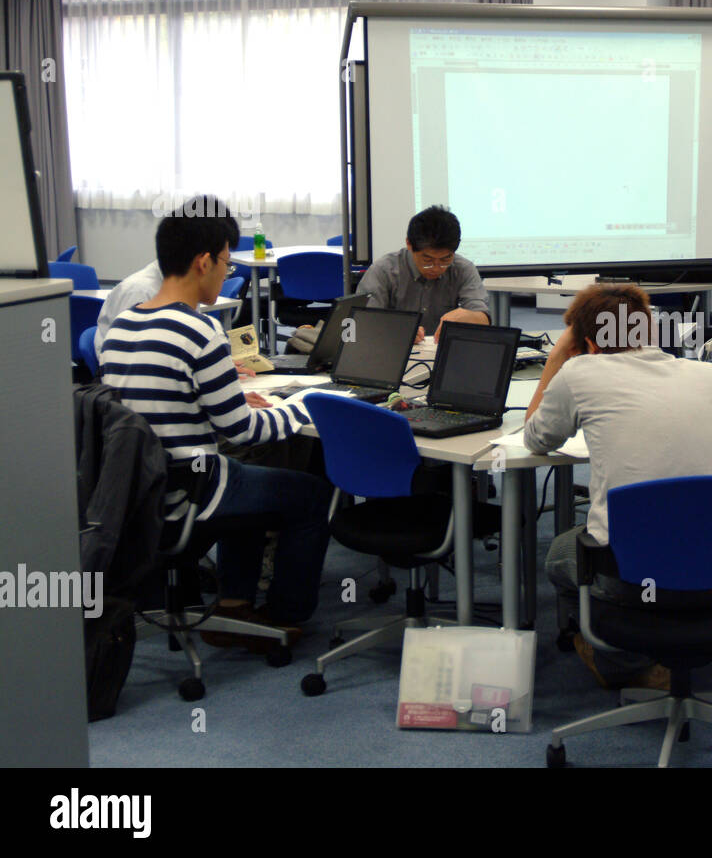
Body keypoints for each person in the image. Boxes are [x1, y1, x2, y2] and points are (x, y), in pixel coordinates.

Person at [100, 209, 332, 646]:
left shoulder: (123, 325)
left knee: (248, 480)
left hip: (135, 493)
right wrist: (305, 407)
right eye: (227, 261)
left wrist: (226, 398)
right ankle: (286, 615)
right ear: (204, 262)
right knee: (310, 494)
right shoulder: (198, 330)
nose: (227, 271)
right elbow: (244, 431)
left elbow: (159, 400)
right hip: (189, 491)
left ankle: (233, 606)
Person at [523, 283, 712, 688]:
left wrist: (558, 356)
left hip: (632, 576)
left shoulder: (579, 372)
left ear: (588, 344)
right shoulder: (711, 376)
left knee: (559, 556)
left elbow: (534, 439)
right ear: (647, 331)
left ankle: (620, 663)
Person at [93, 196, 240, 360]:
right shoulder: (140, 292)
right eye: (226, 263)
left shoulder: (183, 291)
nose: (225, 274)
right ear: (204, 263)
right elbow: (132, 366)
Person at [356, 205, 490, 343]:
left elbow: (483, 318)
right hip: (392, 352)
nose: (436, 268)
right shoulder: (384, 271)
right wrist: (395, 329)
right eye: (427, 260)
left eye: (445, 260)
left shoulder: (463, 268)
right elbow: (362, 323)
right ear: (409, 244)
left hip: (442, 354)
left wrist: (468, 316)